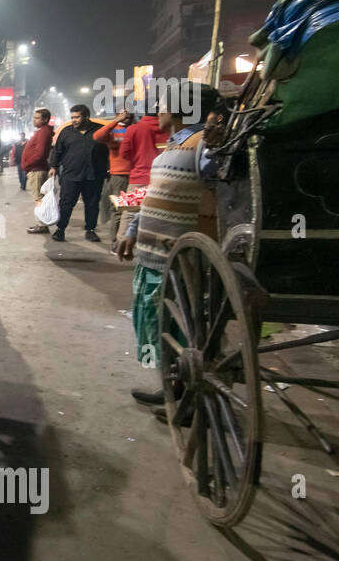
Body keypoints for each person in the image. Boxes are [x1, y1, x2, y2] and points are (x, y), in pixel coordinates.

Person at [117, 86, 227, 416]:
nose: (158, 110)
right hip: (153, 253)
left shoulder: (203, 145)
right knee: (156, 323)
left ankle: (190, 398)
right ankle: (171, 384)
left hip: (180, 259)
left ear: (180, 110)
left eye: (163, 105)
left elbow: (219, 180)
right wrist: (133, 230)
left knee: (181, 328)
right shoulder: (171, 148)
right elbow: (153, 193)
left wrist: (218, 142)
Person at [48, 103, 109, 242]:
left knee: (92, 204)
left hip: (94, 175)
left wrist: (108, 169)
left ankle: (90, 230)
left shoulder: (99, 131)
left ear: (87, 117)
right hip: (71, 175)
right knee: (66, 204)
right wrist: (53, 167)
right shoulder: (66, 132)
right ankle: (60, 229)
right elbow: (57, 151)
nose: (73, 120)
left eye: (77, 117)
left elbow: (108, 152)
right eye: (72, 117)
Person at [94, 104, 135, 248]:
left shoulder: (135, 129)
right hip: (119, 176)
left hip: (137, 175)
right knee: (119, 210)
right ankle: (116, 242)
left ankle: (129, 239)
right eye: (124, 114)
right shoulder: (114, 130)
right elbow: (98, 136)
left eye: (129, 114)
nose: (127, 116)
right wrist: (116, 121)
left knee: (136, 211)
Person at [24, 109, 55, 233]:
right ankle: (42, 224)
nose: (34, 120)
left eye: (37, 118)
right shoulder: (42, 131)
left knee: (39, 199)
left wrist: (27, 163)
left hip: (37, 170)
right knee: (40, 198)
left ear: (45, 119)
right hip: (36, 168)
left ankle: (42, 225)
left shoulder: (43, 132)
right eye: (34, 117)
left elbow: (40, 153)